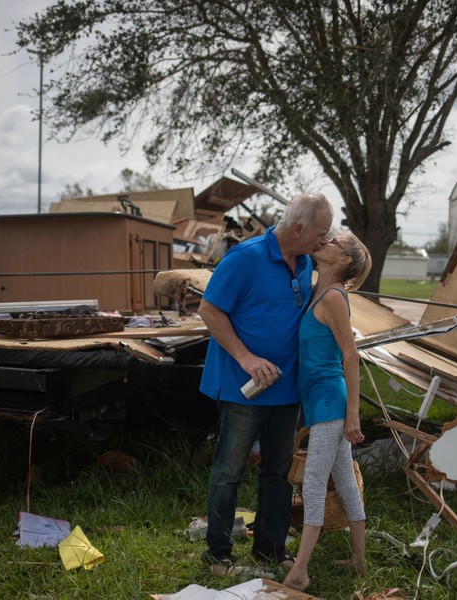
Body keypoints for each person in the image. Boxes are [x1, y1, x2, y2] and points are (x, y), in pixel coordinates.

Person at [198, 193, 334, 573]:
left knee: (279, 471)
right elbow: (209, 309)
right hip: (244, 388)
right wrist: (246, 357)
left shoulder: (308, 261)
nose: (325, 240)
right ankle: (218, 552)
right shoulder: (245, 258)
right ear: (297, 228)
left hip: (287, 389)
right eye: (321, 233)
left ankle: (270, 549)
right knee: (229, 470)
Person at [283, 231, 372, 592]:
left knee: (314, 483)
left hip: (329, 403)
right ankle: (360, 559)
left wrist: (353, 414)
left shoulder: (335, 297)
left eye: (334, 240)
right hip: (318, 399)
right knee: (346, 482)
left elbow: (350, 356)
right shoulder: (317, 288)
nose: (326, 240)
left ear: (344, 260)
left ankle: (301, 569)